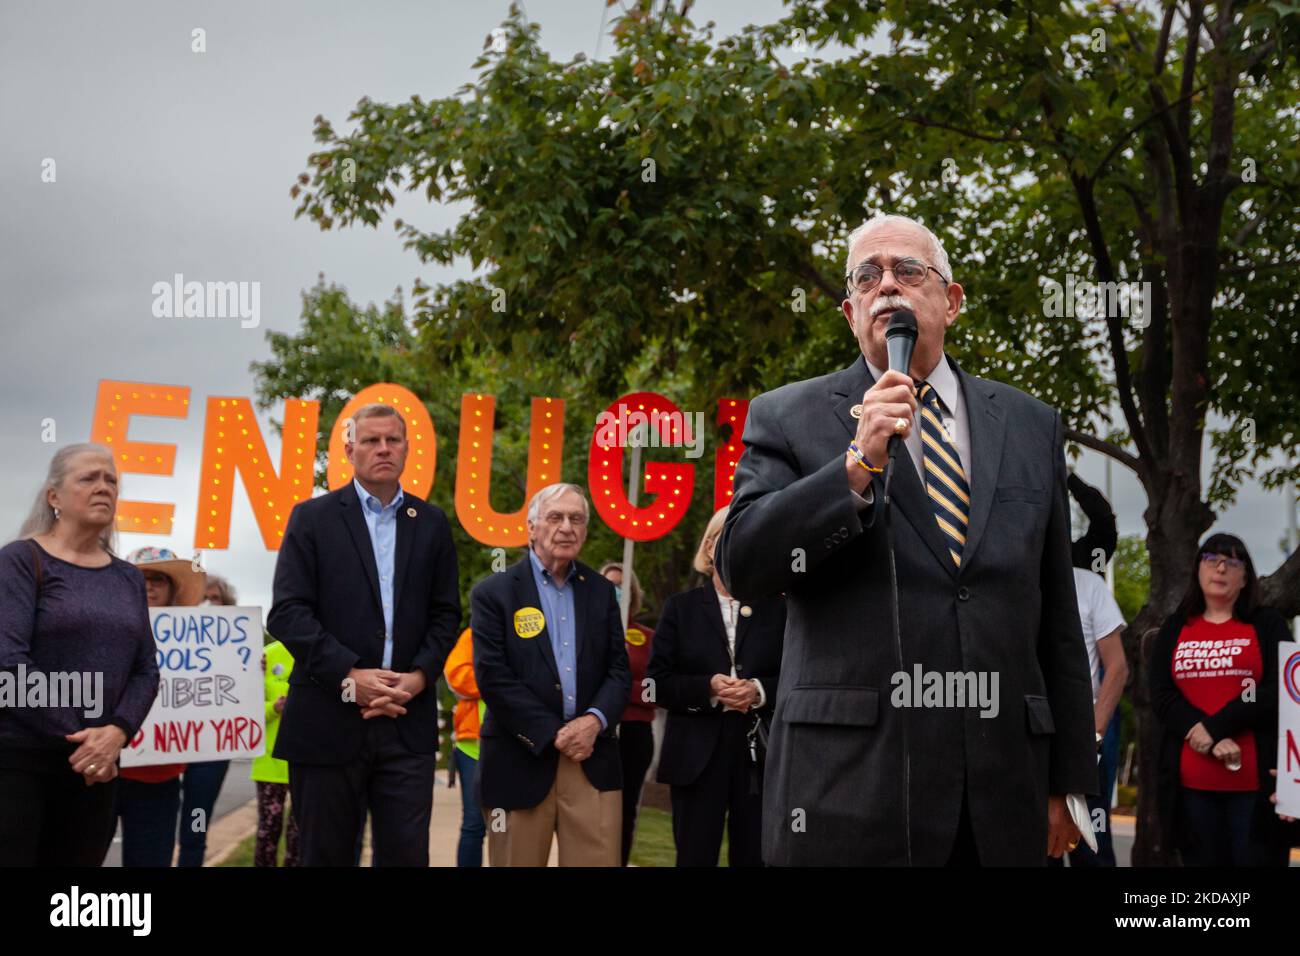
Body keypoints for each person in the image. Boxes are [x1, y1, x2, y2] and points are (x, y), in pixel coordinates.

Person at [718, 213, 1096, 866]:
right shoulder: (787, 416)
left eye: (907, 271)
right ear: (849, 311)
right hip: (847, 792)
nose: (886, 285)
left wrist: (1069, 783)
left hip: (1002, 795)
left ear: (950, 301)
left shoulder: (1032, 426)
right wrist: (854, 466)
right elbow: (744, 562)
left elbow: (1058, 618)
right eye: (868, 276)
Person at [268, 402, 461, 866]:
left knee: (406, 857)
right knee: (325, 857)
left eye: (393, 440)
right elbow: (289, 613)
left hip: (405, 720)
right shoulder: (311, 518)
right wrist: (350, 676)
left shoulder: (431, 523)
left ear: (407, 450)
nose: (383, 449)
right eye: (371, 440)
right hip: (326, 722)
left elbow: (446, 614)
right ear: (349, 449)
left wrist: (417, 679)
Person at [0, 444, 160, 866]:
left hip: (97, 770)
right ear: (54, 497)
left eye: (111, 480)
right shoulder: (21, 560)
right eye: (89, 478)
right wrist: (85, 739)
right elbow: (8, 663)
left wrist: (117, 733)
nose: (103, 487)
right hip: (21, 763)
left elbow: (146, 669)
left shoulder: (127, 577)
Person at [471, 483, 630, 866]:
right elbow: (493, 677)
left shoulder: (602, 591)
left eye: (577, 519)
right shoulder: (493, 593)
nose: (566, 527)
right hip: (520, 757)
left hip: (592, 759)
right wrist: (554, 732)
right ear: (531, 527)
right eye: (555, 517)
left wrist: (593, 721)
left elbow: (619, 671)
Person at [648, 507, 785, 866]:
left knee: (755, 857)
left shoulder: (780, 609)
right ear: (710, 546)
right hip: (695, 757)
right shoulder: (680, 609)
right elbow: (656, 685)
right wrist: (707, 687)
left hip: (760, 758)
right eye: (732, 536)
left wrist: (759, 690)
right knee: (694, 857)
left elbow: (796, 679)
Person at [1148, 533, 1292, 866]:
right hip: (1190, 787)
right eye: (1211, 559)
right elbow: (1162, 695)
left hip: (1255, 789)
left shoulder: (1266, 624)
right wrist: (1205, 735)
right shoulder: (1175, 627)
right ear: (1198, 570)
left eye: (1233, 561)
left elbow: (1273, 690)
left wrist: (1215, 727)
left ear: (1245, 578)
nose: (1221, 568)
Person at [119, 546, 205, 867]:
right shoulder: (99, 631)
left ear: (172, 589)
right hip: (99, 768)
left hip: (160, 776)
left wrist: (246, 676)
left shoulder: (197, 641)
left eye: (159, 579)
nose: (150, 586)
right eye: (142, 578)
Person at [1048, 565, 1127, 867]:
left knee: (1091, 848)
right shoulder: (1012, 580)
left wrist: (1092, 737)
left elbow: (1117, 668)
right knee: (1039, 848)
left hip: (1085, 737)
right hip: (1032, 741)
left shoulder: (1089, 585)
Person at [176, 571, 238, 866]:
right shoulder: (167, 637)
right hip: (166, 746)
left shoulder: (239, 648)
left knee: (196, 822)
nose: (208, 605)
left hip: (211, 750)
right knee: (157, 822)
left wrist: (251, 669)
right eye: (202, 599)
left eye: (214, 599)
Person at [599, 560, 655, 866]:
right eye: (609, 586)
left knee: (624, 809)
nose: (615, 592)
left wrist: (619, 689)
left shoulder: (647, 638)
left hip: (634, 733)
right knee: (592, 811)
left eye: (621, 587)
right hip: (596, 731)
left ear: (632, 593)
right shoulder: (588, 632)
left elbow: (654, 690)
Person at [252, 636, 300, 866]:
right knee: (268, 831)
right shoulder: (266, 655)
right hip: (270, 763)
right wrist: (274, 708)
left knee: (299, 834)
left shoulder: (320, 654)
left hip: (306, 762)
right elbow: (245, 709)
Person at [444, 626, 487, 867]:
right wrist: (500, 681)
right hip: (473, 748)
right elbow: (456, 675)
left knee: (506, 825)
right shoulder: (473, 635)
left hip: (514, 749)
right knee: (474, 823)